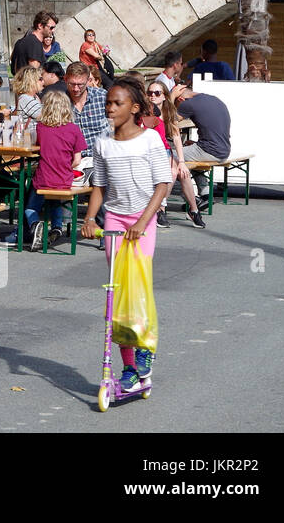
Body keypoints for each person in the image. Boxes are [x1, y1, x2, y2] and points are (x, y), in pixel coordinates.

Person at [80, 79, 172, 395]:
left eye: (117, 103)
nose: (109, 108)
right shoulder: (103, 142)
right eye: (107, 102)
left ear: (134, 108)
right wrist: (90, 219)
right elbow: (100, 185)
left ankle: (146, 346)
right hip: (116, 219)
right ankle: (129, 368)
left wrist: (144, 221)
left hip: (141, 220)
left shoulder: (150, 140)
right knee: (116, 294)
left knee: (138, 288)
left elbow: (162, 184)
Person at [22, 91, 86, 251]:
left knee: (30, 207)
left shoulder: (41, 128)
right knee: (56, 199)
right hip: (64, 178)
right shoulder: (73, 129)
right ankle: (57, 226)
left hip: (43, 178)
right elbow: (77, 160)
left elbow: (38, 147)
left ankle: (36, 224)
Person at [145, 83, 205, 229]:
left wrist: (182, 161)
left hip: (165, 151)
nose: (153, 95)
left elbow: (177, 137)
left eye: (157, 93)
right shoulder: (145, 111)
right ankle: (160, 210)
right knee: (172, 172)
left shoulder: (168, 111)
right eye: (150, 93)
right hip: (149, 153)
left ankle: (193, 210)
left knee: (183, 172)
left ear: (164, 96)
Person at [65, 61, 110, 162]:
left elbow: (116, 124)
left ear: (88, 80)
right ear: (65, 79)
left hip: (102, 157)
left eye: (80, 84)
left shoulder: (102, 96)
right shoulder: (60, 102)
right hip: (73, 160)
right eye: (72, 84)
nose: (76, 89)